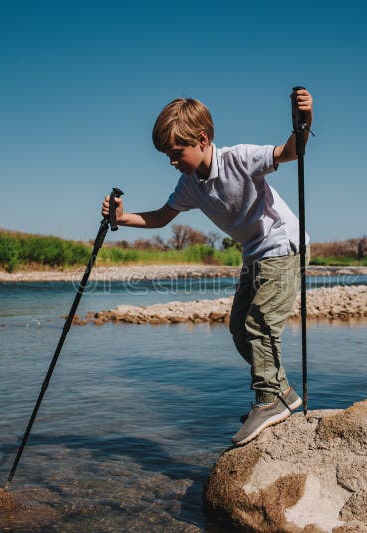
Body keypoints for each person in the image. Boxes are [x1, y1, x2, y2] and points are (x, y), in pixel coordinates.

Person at [101, 89, 313, 445]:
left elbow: (291, 152)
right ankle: (283, 394)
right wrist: (122, 218)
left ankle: (267, 401)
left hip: (283, 245)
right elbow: (160, 218)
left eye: (175, 153)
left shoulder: (240, 158)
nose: (171, 161)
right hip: (255, 253)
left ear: (202, 139)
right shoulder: (188, 185)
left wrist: (303, 122)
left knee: (260, 324)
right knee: (239, 330)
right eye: (167, 155)